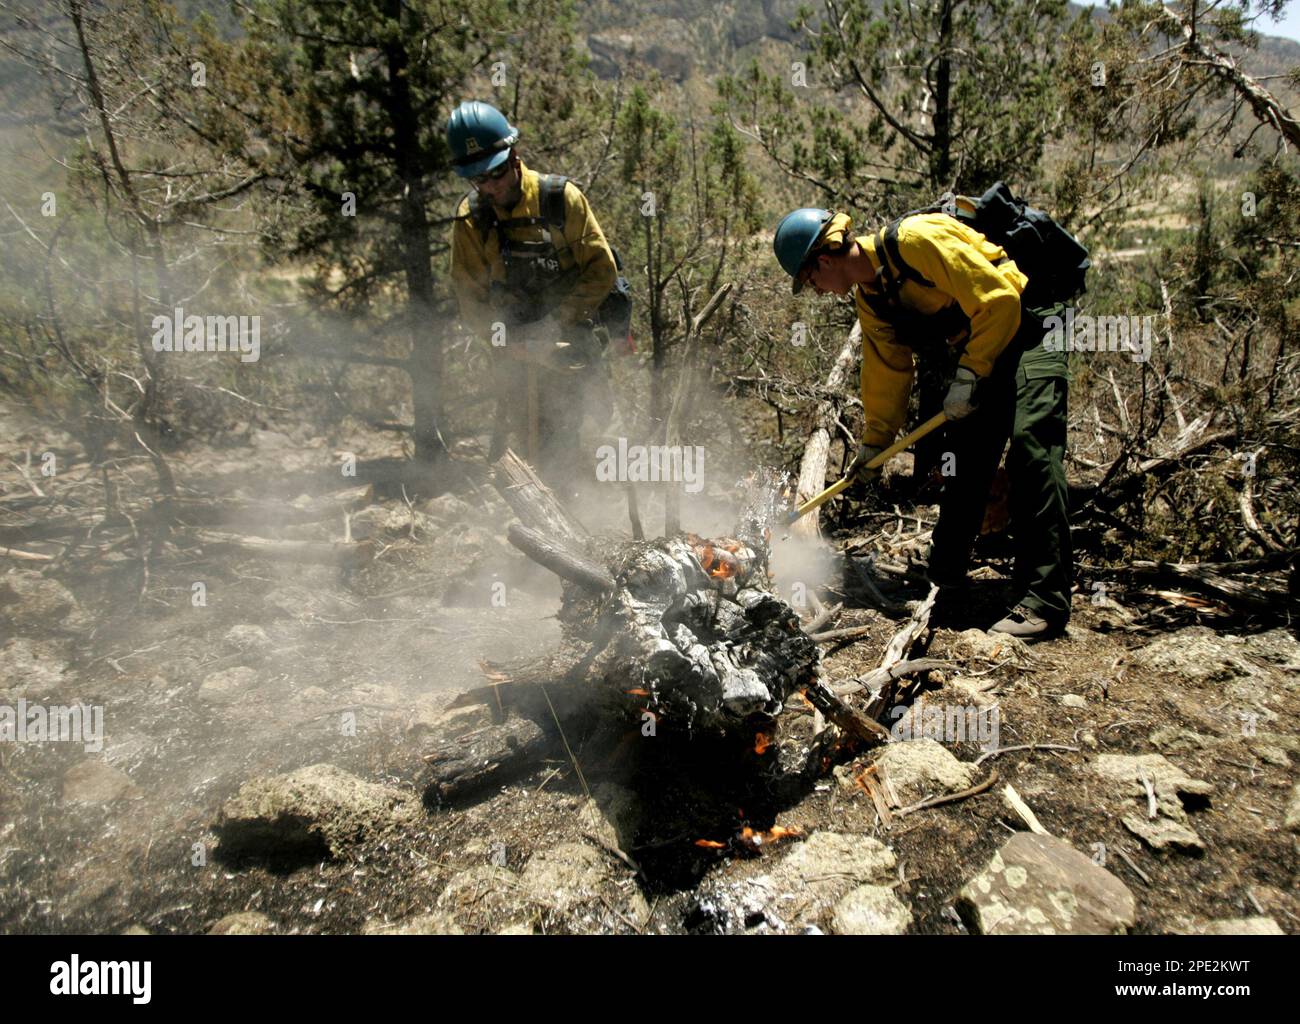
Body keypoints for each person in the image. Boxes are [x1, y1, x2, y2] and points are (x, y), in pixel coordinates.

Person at [773, 205, 1073, 638]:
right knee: (968, 459)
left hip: (1031, 329)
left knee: (1033, 450)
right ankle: (945, 577)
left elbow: (1000, 300)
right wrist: (874, 446)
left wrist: (969, 376)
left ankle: (1045, 601)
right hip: (984, 351)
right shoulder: (870, 298)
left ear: (822, 260)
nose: (816, 291)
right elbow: (887, 373)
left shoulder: (917, 240)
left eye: (810, 281)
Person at [447, 100, 618, 492]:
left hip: (575, 346)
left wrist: (553, 324)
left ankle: (608, 531)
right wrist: (506, 340)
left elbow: (601, 270)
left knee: (596, 440)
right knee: (536, 454)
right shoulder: (470, 219)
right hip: (517, 360)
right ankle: (551, 534)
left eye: (497, 173)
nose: (491, 186)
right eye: (479, 179)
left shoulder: (561, 200)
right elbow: (469, 298)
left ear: (515, 157)